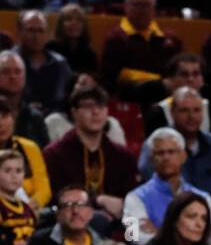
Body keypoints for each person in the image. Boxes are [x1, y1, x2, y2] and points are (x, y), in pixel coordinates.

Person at [136, 87, 211, 231]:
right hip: (167, 231)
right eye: (184, 111)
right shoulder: (135, 198)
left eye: (196, 110)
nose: (191, 116)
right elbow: (133, 236)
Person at [43, 82, 137, 218]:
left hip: (118, 229)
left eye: (100, 106)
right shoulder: (54, 155)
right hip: (69, 228)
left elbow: (132, 207)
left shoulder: (124, 157)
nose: (96, 112)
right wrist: (99, 200)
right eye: (88, 106)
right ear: (74, 112)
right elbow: (56, 200)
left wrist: (132, 237)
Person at [122, 126, 211, 245]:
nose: (166, 158)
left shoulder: (203, 198)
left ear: (183, 156)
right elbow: (132, 236)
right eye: (160, 153)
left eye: (171, 152)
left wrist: (159, 233)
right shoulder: (134, 198)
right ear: (151, 159)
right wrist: (186, 240)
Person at [100, 0, 182, 106]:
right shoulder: (116, 39)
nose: (142, 10)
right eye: (137, 5)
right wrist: (159, 81)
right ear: (126, 6)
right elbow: (112, 78)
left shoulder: (171, 39)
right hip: (130, 102)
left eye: (147, 5)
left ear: (154, 7)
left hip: (166, 103)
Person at [13, 9, 73, 116]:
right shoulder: (6, 62)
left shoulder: (60, 63)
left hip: (55, 121)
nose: (36, 36)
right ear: (19, 32)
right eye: (30, 30)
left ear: (48, 34)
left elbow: (69, 98)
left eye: (40, 31)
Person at [0, 93, 49, 206]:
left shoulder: (29, 147)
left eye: (5, 116)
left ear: (14, 119)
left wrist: (31, 206)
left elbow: (43, 189)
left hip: (28, 211)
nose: (1, 123)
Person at [0, 49, 48, 146]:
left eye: (18, 72)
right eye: (6, 72)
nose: (12, 76)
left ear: (25, 77)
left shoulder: (34, 117)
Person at [45, 3, 99, 77]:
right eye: (68, 19)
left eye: (79, 20)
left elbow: (94, 77)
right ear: (60, 25)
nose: (74, 23)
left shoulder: (89, 53)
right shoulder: (50, 48)